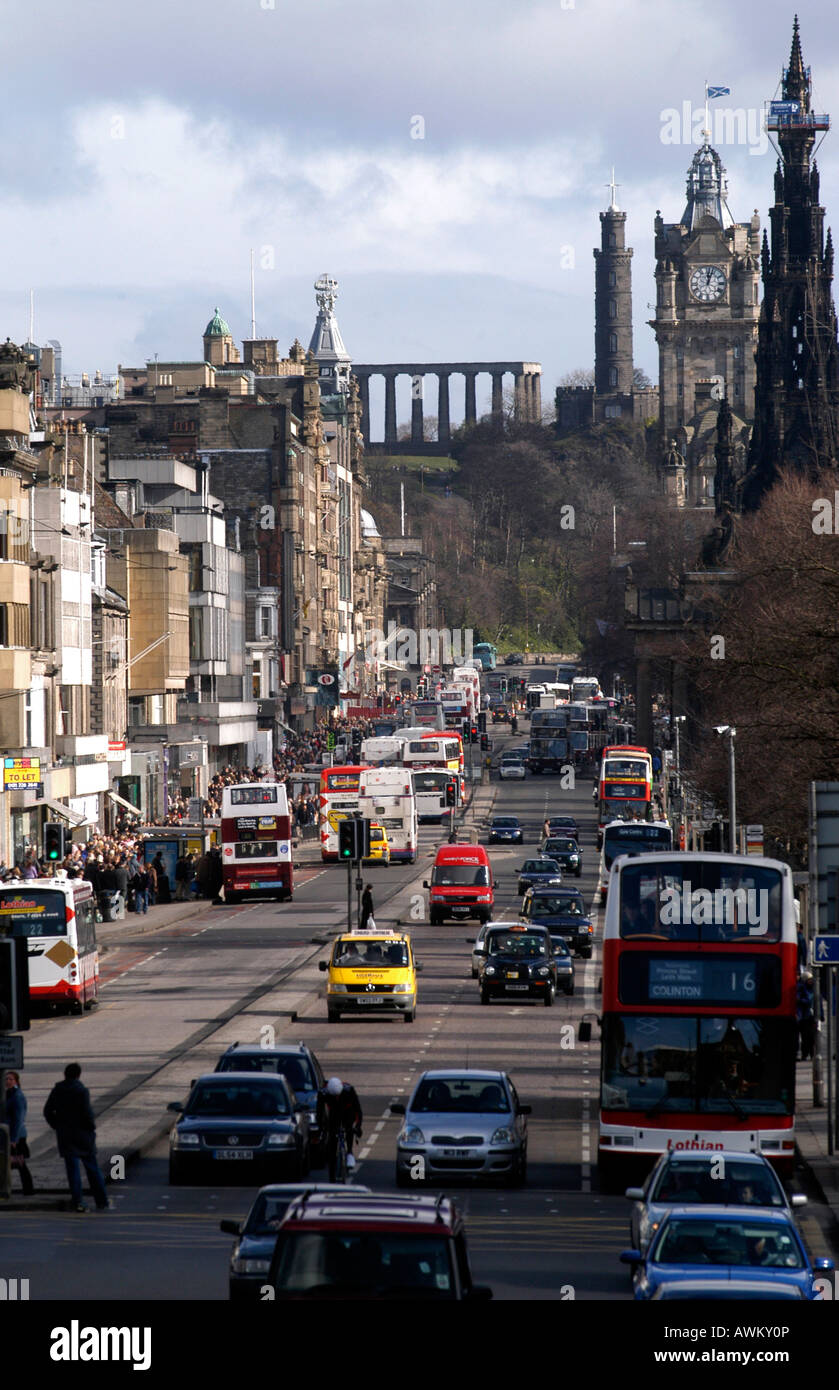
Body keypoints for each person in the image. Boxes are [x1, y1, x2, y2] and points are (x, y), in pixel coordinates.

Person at [43, 1062, 110, 1212]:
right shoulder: (82, 1091)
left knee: (72, 1170)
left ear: (65, 1074)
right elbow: (87, 1113)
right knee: (92, 1168)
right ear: (78, 1075)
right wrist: (91, 1127)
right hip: (83, 1134)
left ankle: (78, 1201)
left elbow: (47, 1111)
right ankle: (102, 1200)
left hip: (65, 1135)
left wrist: (57, 1126)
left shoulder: (57, 1090)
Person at [321, 1076, 363, 1182]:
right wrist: (322, 1128)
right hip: (334, 1114)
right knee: (332, 1140)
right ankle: (332, 1172)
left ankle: (349, 1152)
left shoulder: (349, 1091)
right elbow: (319, 1112)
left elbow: (358, 1111)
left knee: (349, 1129)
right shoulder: (323, 1093)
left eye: (338, 1095)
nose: (336, 1098)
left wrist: (357, 1127)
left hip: (348, 1112)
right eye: (333, 1096)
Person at [4, 1071, 34, 1195]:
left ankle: (28, 1189)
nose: (7, 1081)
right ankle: (26, 1189)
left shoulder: (17, 1096)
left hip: (16, 1136)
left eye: (11, 1079)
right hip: (9, 1134)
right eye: (6, 1079)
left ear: (16, 1081)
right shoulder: (8, 1094)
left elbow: (18, 1118)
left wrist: (14, 1139)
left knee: (20, 1163)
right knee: (14, 1163)